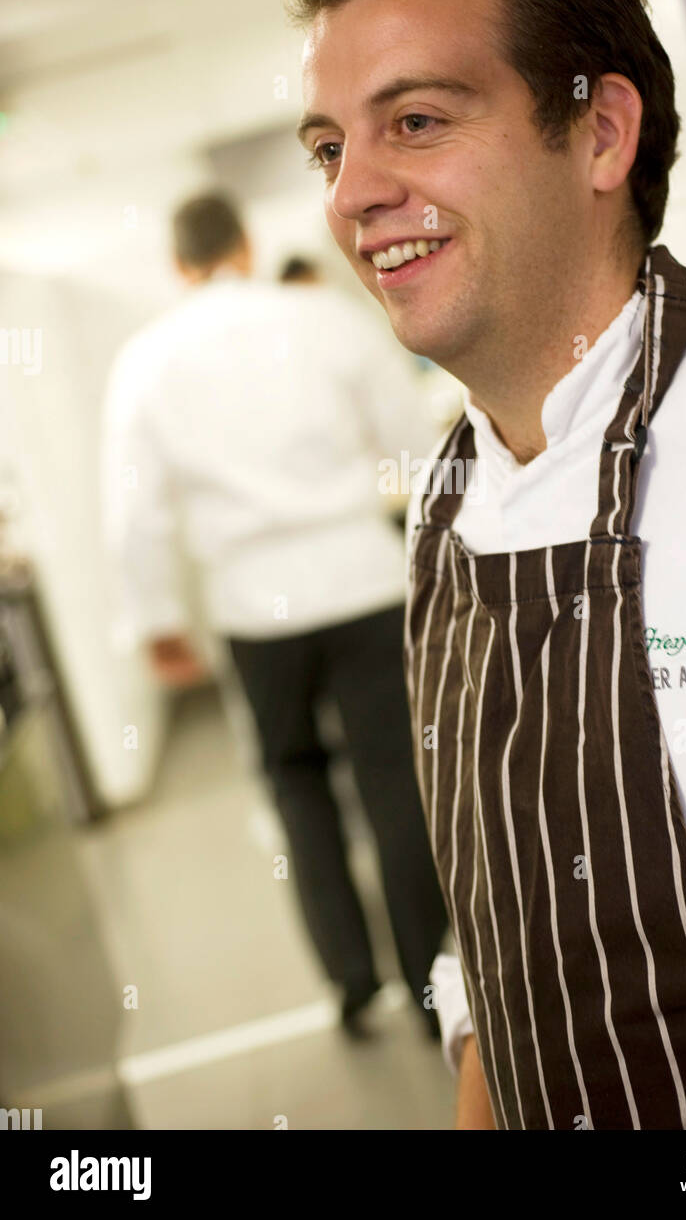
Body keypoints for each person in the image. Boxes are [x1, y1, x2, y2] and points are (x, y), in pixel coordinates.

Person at [289, 0, 686, 1128]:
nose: (351, 194)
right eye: (331, 149)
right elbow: (503, 920)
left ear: (601, 134)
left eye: (418, 122)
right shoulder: (445, 498)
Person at [101, 191, 449, 1038]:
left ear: (179, 265)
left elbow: (132, 510)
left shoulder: (146, 360)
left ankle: (348, 978)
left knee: (296, 785)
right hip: (362, 583)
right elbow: (411, 438)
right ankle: (427, 976)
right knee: (394, 778)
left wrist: (156, 624)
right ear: (245, 247)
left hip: (254, 609)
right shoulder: (326, 321)